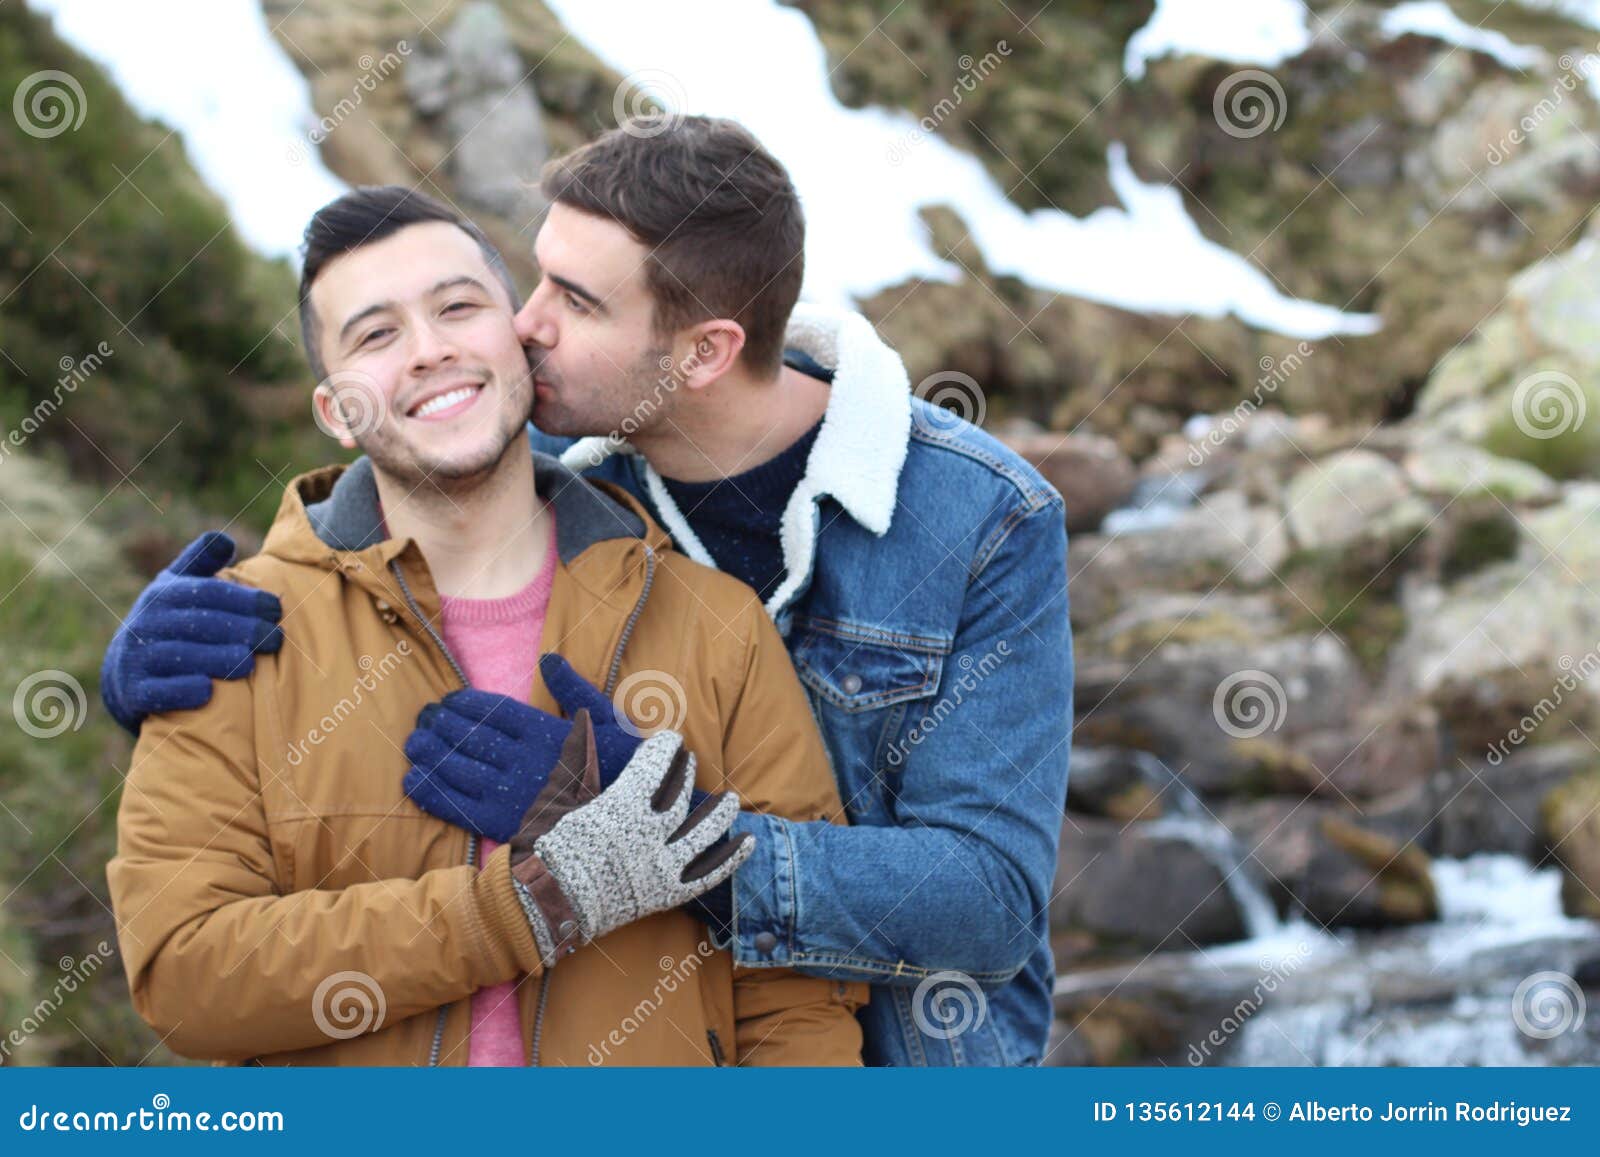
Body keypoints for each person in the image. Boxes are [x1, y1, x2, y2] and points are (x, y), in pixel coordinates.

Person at [103, 114, 1073, 1066]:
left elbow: (988, 900)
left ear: (702, 353)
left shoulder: (981, 521)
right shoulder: (553, 442)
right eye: (531, 279)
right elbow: (405, 472)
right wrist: (166, 667)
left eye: (573, 299)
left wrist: (646, 817)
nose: (523, 327)